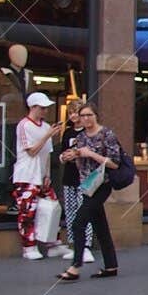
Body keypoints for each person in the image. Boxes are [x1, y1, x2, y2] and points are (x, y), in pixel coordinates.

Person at [56, 101, 124, 282]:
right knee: (100, 226)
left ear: (96, 116)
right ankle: (111, 265)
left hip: (102, 184)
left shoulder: (106, 134)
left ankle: (75, 267)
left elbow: (114, 162)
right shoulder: (81, 137)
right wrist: (71, 156)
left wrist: (91, 154)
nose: (85, 118)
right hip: (86, 185)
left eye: (89, 115)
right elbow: (79, 160)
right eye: (82, 115)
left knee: (79, 222)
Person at [11, 92, 66, 261]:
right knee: (27, 212)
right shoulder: (24, 125)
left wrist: (47, 174)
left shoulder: (45, 126)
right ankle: (29, 247)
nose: (45, 111)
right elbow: (32, 151)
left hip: (41, 176)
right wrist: (48, 135)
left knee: (52, 208)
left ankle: (52, 244)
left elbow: (47, 154)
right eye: (42, 108)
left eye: (46, 108)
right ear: (33, 107)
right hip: (26, 174)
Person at [56, 97, 93, 260]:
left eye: (76, 112)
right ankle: (73, 244)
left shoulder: (88, 133)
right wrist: (63, 157)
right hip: (69, 176)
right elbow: (63, 151)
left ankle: (85, 245)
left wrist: (77, 154)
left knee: (83, 211)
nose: (72, 116)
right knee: (70, 211)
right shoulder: (68, 132)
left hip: (84, 178)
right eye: (70, 113)